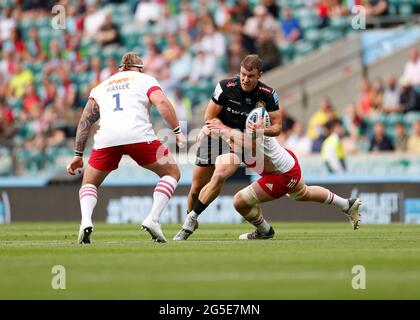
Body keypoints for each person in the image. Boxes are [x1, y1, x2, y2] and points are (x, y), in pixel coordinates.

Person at [66, 52, 186, 244]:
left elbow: (85, 120)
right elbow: (162, 102)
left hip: (107, 138)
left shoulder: (101, 87)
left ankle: (86, 221)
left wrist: (78, 154)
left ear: (121, 68)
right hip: (138, 134)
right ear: (139, 68)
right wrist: (177, 130)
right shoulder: (145, 79)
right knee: (172, 173)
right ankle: (153, 219)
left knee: (88, 183)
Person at [173, 54, 282, 240]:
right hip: (216, 136)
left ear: (260, 75)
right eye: (243, 74)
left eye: (251, 76)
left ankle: (189, 222)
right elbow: (209, 117)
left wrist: (262, 130)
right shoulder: (225, 87)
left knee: (221, 174)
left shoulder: (268, 94)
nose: (245, 79)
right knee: (196, 189)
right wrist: (223, 131)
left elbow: (278, 127)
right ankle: (191, 216)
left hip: (240, 142)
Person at [205, 110, 361, 239]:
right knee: (303, 193)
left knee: (239, 201)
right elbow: (233, 141)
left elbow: (245, 142)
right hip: (287, 164)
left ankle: (264, 231)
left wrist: (223, 130)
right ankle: (347, 204)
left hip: (283, 174)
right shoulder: (242, 132)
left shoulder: (254, 134)